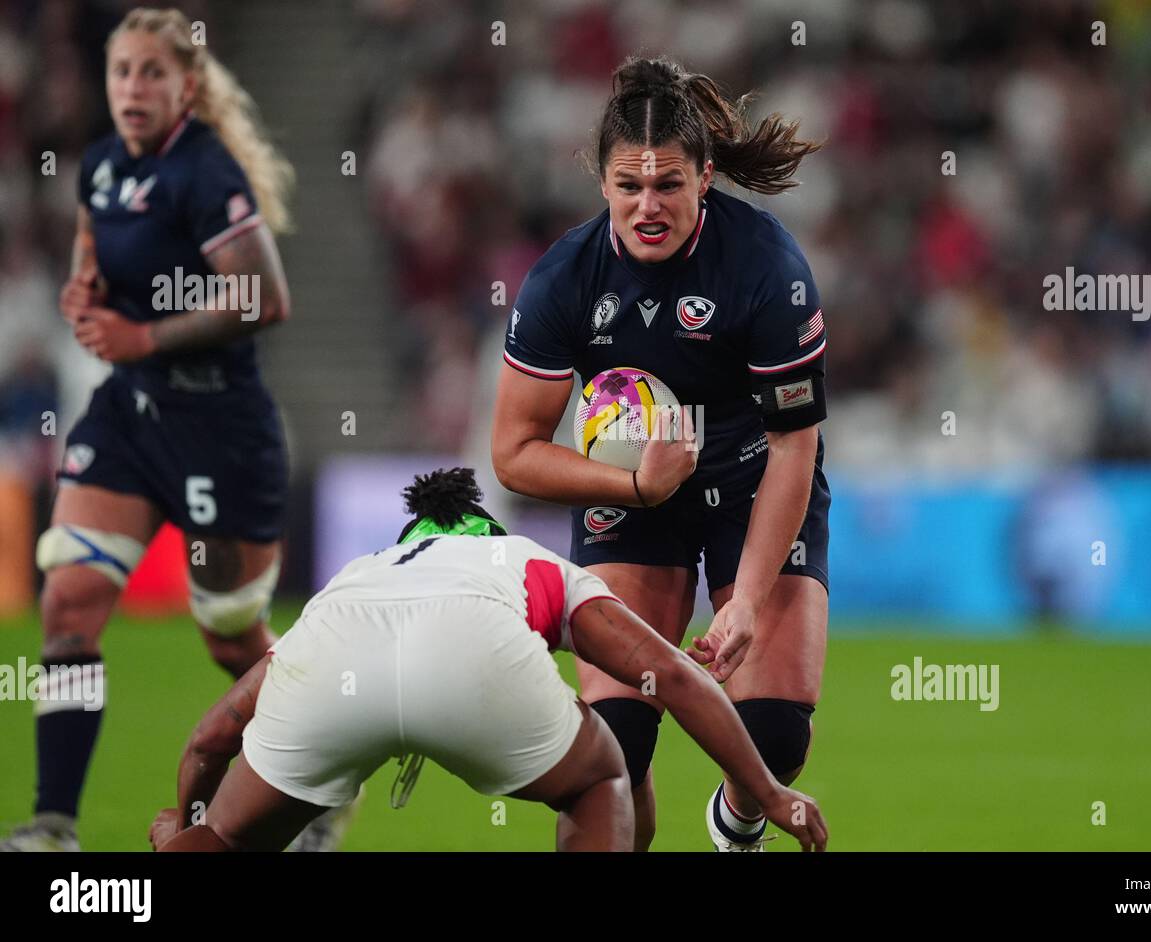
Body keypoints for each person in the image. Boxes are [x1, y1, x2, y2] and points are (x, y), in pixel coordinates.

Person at [491, 56, 830, 850]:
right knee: (615, 749)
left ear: (706, 177)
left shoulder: (768, 270)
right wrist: (633, 485)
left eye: (669, 185)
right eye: (629, 186)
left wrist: (743, 599)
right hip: (633, 485)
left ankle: (735, 825)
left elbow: (794, 445)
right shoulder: (561, 281)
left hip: (752, 472)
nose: (648, 206)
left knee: (774, 743)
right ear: (600, 182)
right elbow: (512, 454)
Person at [147, 469, 828, 852]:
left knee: (226, 843)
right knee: (602, 778)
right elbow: (674, 676)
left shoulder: (358, 576)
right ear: (488, 533)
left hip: (335, 663)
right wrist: (769, 794)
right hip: (473, 656)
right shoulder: (523, 560)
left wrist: (189, 820)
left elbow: (211, 738)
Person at [1, 7, 308, 851]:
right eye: (121, 72)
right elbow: (92, 260)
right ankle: (55, 825)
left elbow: (263, 298)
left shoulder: (207, 173)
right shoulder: (99, 167)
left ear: (186, 86)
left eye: (150, 73)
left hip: (219, 429)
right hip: (130, 417)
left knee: (228, 636)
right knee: (67, 601)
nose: (132, 88)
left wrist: (145, 334)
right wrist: (82, 294)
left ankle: (323, 780)